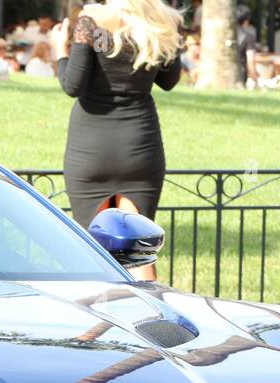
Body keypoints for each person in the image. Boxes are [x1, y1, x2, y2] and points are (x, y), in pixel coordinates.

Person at [51, 0, 183, 281]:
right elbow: (169, 81)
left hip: (91, 147)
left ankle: (99, 317)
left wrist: (60, 51)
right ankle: (151, 317)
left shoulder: (91, 21)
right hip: (140, 145)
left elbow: (73, 85)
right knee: (139, 245)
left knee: (89, 247)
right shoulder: (159, 20)